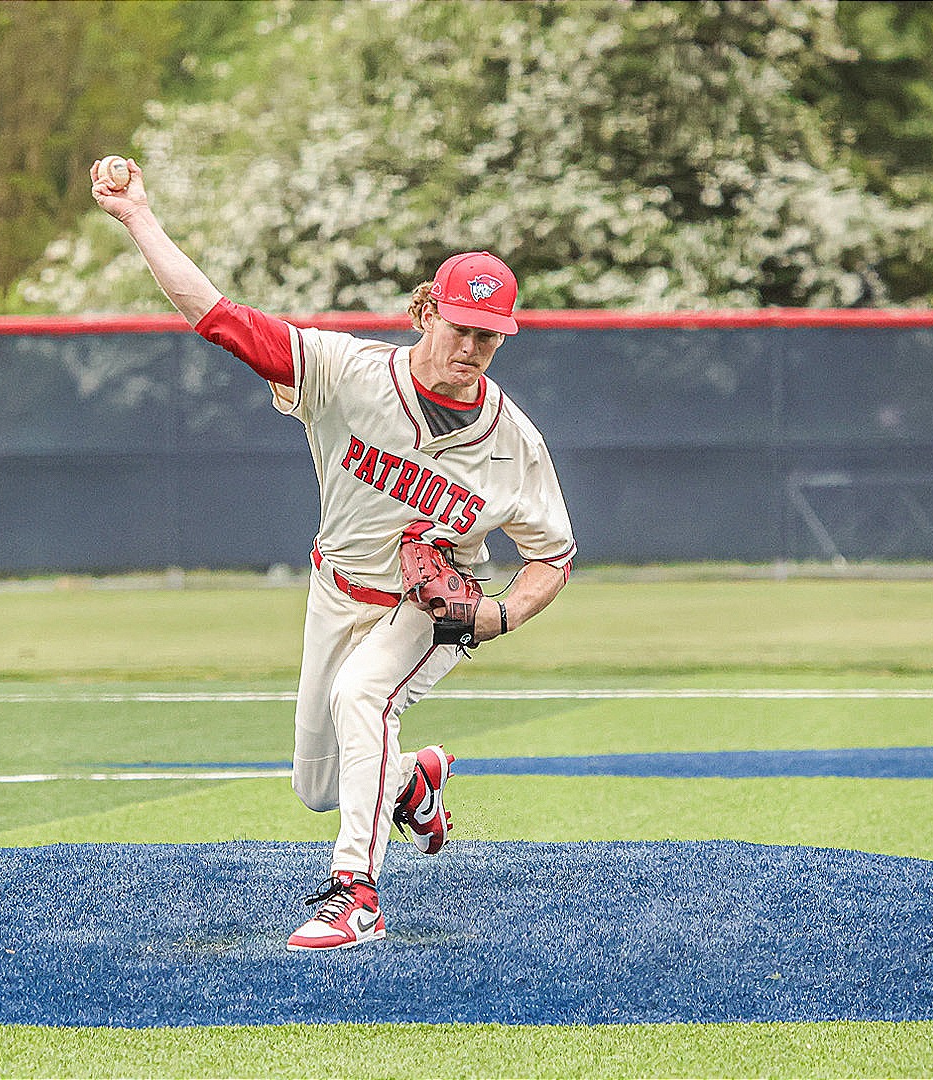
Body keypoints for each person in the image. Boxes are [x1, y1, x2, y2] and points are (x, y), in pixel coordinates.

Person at [89, 156, 577, 951]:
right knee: (317, 783)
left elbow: (553, 554)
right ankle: (413, 780)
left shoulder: (512, 440)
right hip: (337, 590)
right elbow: (218, 318)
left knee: (362, 698)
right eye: (462, 326)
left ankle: (357, 895)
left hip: (429, 608)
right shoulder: (345, 374)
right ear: (427, 312)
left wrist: (499, 613)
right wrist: (138, 217)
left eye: (491, 333)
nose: (476, 345)